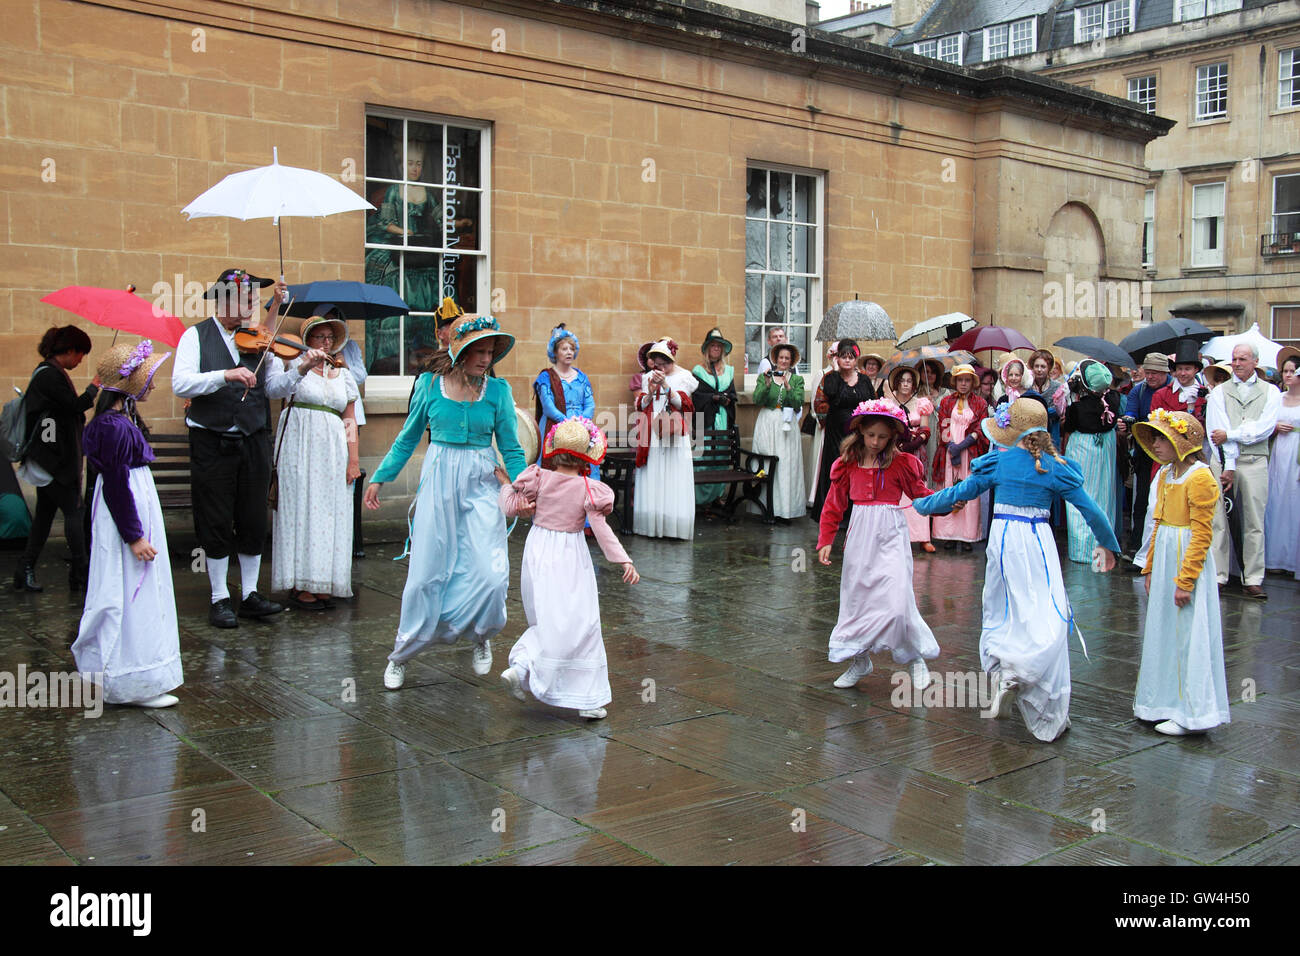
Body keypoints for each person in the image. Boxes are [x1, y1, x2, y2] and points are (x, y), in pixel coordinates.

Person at [913, 398, 1119, 742]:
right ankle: (1030, 678)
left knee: (1004, 609)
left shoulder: (1000, 463)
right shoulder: (1054, 467)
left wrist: (918, 503)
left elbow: (954, 494)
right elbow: (1092, 509)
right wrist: (1108, 545)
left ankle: (1007, 668)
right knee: (1045, 612)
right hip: (1037, 540)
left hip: (1003, 541)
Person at [364, 314, 526, 689]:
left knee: (491, 573)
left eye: (490, 351)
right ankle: (401, 654)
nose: (486, 359)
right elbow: (407, 438)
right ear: (459, 350)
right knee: (426, 574)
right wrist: (381, 477)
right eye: (478, 351)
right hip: (439, 479)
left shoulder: (498, 393)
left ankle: (481, 634)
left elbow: (512, 448)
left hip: (484, 480)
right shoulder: (429, 385)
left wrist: (522, 485)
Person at [172, 269, 331, 628]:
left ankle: (249, 594)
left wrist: (301, 370)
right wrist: (224, 375)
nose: (251, 307)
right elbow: (181, 383)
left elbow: (274, 388)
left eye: (253, 300)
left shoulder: (261, 339)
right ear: (224, 299)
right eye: (245, 299)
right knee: (214, 518)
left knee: (253, 517)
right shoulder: (195, 337)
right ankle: (218, 597)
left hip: (253, 438)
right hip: (211, 439)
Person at [498, 418, 639, 720]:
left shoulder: (537, 478)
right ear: (585, 456)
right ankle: (587, 698)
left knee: (547, 618)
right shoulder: (589, 489)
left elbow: (509, 506)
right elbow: (601, 530)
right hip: (569, 557)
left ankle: (522, 666)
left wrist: (506, 485)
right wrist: (623, 559)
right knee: (581, 621)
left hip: (537, 552)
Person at [73, 341, 183, 708]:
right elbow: (118, 484)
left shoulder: (118, 420)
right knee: (130, 589)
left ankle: (136, 675)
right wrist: (134, 535)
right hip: (127, 510)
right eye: (146, 378)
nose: (152, 385)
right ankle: (131, 678)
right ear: (130, 384)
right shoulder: (113, 427)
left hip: (134, 503)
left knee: (136, 588)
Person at [818, 399, 940, 691]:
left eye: (882, 436)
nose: (875, 442)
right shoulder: (847, 463)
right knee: (857, 598)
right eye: (871, 435)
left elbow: (920, 495)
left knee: (898, 600)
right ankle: (859, 658)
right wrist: (826, 538)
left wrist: (945, 502)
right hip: (860, 534)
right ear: (860, 431)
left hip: (891, 534)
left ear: (892, 437)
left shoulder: (901, 463)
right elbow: (834, 503)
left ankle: (914, 658)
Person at [1129, 409, 1229, 736]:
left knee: (1188, 634)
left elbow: (1202, 533)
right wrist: (1151, 565)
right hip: (1167, 558)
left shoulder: (1199, 477)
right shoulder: (1166, 474)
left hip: (1186, 558)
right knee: (1162, 630)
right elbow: (1157, 523)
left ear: (1180, 442)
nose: (1155, 444)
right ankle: (1161, 701)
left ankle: (1192, 712)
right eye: (1154, 437)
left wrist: (1185, 580)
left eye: (1162, 437)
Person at [270, 311, 360, 610]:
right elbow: (276, 390)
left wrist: (353, 461)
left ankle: (324, 581)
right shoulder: (294, 364)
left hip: (333, 448)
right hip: (299, 443)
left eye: (330, 337)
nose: (325, 342)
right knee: (301, 508)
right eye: (319, 337)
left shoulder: (343, 374)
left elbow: (349, 419)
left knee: (331, 513)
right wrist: (302, 366)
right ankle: (300, 583)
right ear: (307, 340)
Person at [14, 325, 97, 593]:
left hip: (49, 459)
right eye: (81, 354)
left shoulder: (48, 372)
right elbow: (75, 406)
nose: (81, 360)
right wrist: (95, 387)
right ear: (70, 350)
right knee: (74, 512)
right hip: (56, 461)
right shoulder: (50, 376)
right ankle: (81, 574)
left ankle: (24, 570)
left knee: (45, 517)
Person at [1206, 343, 1283, 599]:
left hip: (1255, 460)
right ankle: (1218, 574)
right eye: (1234, 359)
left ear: (1255, 362)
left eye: (1242, 359)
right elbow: (1217, 431)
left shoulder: (1271, 392)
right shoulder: (1219, 393)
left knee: (1254, 520)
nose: (1237, 363)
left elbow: (1264, 428)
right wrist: (1228, 462)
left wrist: (1233, 434)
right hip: (1223, 461)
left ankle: (1253, 577)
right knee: (1218, 519)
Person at [632, 339, 697, 539]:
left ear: (671, 359)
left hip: (674, 431)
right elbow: (641, 405)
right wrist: (650, 393)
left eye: (664, 362)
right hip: (652, 430)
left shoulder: (684, 376)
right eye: (657, 363)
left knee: (673, 473)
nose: (660, 367)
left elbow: (683, 404)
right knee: (654, 473)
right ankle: (651, 525)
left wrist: (666, 386)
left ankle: (673, 525)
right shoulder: (648, 378)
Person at [1062, 360, 1122, 564]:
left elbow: (1068, 428)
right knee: (1105, 497)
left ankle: (1082, 550)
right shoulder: (1114, 398)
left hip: (1083, 448)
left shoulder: (1077, 407)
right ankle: (1103, 548)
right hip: (1106, 447)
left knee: (1081, 495)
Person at [811, 340, 875, 519]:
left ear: (856, 359)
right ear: (837, 358)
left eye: (851, 357)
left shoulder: (863, 379)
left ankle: (855, 512)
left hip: (859, 433)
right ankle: (833, 513)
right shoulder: (831, 378)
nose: (847, 360)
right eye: (843, 357)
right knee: (836, 471)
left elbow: (872, 402)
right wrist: (837, 372)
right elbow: (821, 402)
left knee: (857, 470)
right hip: (836, 433)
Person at [931, 364, 989, 551]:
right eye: (960, 380)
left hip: (969, 452)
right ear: (955, 382)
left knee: (968, 490)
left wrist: (962, 447)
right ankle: (948, 534)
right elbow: (943, 424)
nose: (963, 384)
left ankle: (966, 535)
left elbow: (981, 428)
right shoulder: (947, 402)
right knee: (949, 487)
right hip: (949, 452)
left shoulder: (980, 403)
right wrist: (951, 448)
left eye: (967, 380)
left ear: (973, 382)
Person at [1119, 353, 1171, 554]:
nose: (1150, 377)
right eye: (1147, 373)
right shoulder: (1138, 391)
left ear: (1165, 373)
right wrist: (1127, 421)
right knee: (1142, 500)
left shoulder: (1172, 389)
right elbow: (1131, 412)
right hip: (1145, 450)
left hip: (1169, 452)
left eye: (1155, 374)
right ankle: (1137, 546)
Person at [533, 324, 597, 484]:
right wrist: (568, 425)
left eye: (571, 349)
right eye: (564, 349)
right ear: (555, 352)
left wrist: (581, 423)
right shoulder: (546, 377)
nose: (569, 352)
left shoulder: (582, 377)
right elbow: (548, 408)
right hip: (555, 426)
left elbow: (590, 404)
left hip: (581, 427)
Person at [752, 342, 806, 520]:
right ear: (775, 359)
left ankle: (785, 510)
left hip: (787, 425)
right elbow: (757, 399)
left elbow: (797, 403)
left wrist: (788, 386)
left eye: (787, 358)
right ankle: (766, 507)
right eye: (781, 357)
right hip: (768, 422)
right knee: (768, 462)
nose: (783, 361)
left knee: (786, 464)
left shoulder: (797, 379)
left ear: (791, 361)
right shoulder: (764, 377)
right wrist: (767, 383)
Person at [887, 366, 936, 553]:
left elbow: (925, 430)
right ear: (896, 383)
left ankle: (923, 537)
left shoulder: (921, 403)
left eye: (909, 381)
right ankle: (897, 535)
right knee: (898, 492)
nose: (906, 384)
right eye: (902, 381)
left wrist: (910, 445)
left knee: (917, 489)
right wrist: (896, 445)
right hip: (895, 451)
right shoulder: (889, 403)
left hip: (915, 451)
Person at [692, 328, 737, 509]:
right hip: (705, 420)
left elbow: (733, 395)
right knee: (702, 459)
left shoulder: (729, 372)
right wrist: (713, 398)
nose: (716, 348)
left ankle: (717, 496)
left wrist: (726, 399)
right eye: (713, 345)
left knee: (721, 457)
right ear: (707, 349)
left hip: (723, 419)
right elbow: (696, 396)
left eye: (719, 346)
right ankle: (700, 499)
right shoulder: (698, 371)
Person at [1264, 351, 1300, 576]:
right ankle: (1274, 558)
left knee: (1294, 502)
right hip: (1278, 452)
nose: (1288, 375)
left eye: (1292, 371)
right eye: (1285, 371)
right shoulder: (1277, 398)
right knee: (1275, 500)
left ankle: (1293, 560)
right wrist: (1275, 427)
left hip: (1297, 452)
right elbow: (1266, 423)